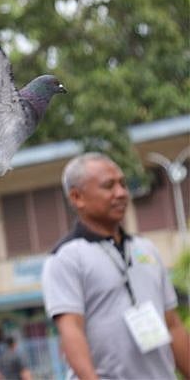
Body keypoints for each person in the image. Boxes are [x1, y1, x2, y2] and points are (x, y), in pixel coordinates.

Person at [42, 152, 190, 380]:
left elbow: (172, 325)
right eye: (108, 186)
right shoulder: (66, 258)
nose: (121, 193)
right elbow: (71, 330)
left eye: (123, 184)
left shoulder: (146, 249)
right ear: (77, 197)